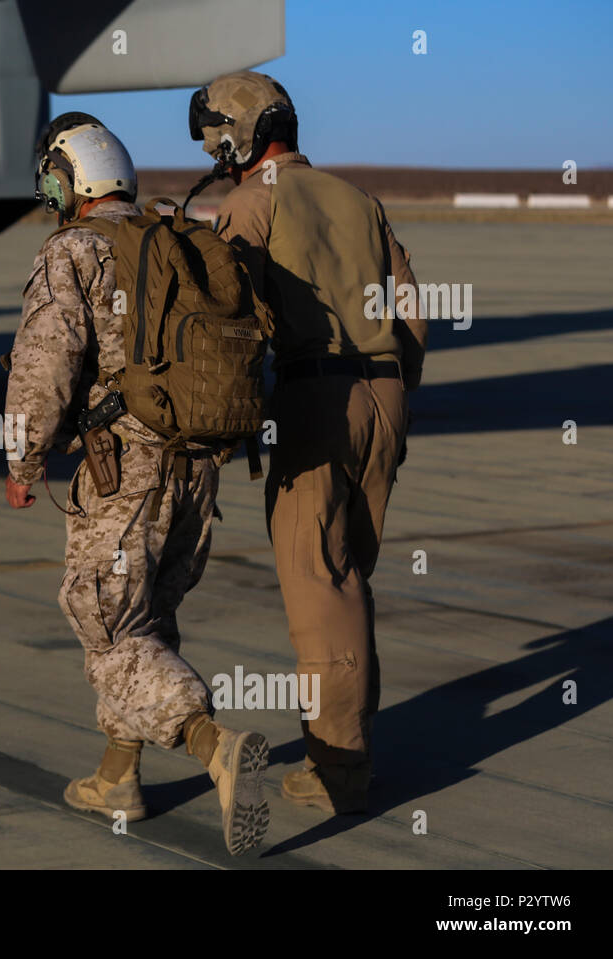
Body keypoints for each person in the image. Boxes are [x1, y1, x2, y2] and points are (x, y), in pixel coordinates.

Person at [4, 112, 269, 855]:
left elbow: (44, 366)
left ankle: (213, 744)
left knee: (107, 624)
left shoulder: (75, 251)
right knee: (144, 620)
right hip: (197, 469)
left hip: (126, 470)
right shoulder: (173, 240)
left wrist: (22, 462)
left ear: (67, 182)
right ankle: (117, 774)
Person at [190, 71, 428, 813]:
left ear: (240, 135)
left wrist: (219, 424)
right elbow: (411, 308)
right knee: (350, 570)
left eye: (215, 135)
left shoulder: (250, 205)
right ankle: (347, 742)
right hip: (385, 394)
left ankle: (336, 765)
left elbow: (223, 325)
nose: (213, 150)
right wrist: (389, 390)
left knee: (318, 580)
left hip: (314, 398)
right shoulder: (358, 200)